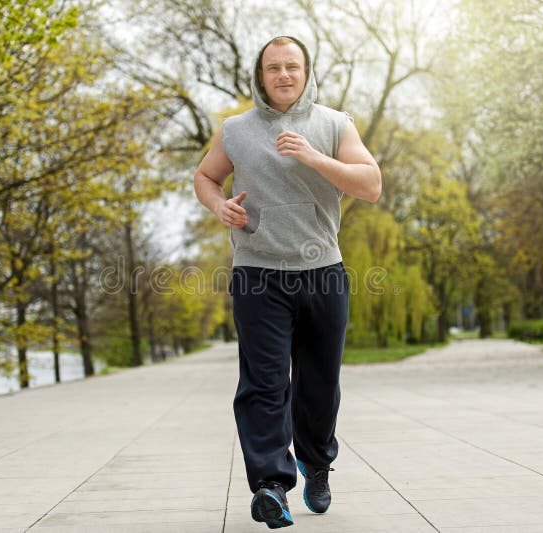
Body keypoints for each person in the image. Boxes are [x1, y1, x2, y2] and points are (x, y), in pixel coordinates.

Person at [193, 35, 381, 529]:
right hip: (257, 274)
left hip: (322, 273)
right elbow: (205, 178)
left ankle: (316, 463)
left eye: (291, 67)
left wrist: (314, 157)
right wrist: (220, 206)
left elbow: (371, 185)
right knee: (265, 382)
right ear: (260, 76)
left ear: (306, 71)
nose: (283, 75)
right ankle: (270, 486)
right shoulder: (234, 130)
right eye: (273, 68)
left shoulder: (334, 124)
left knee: (319, 386)